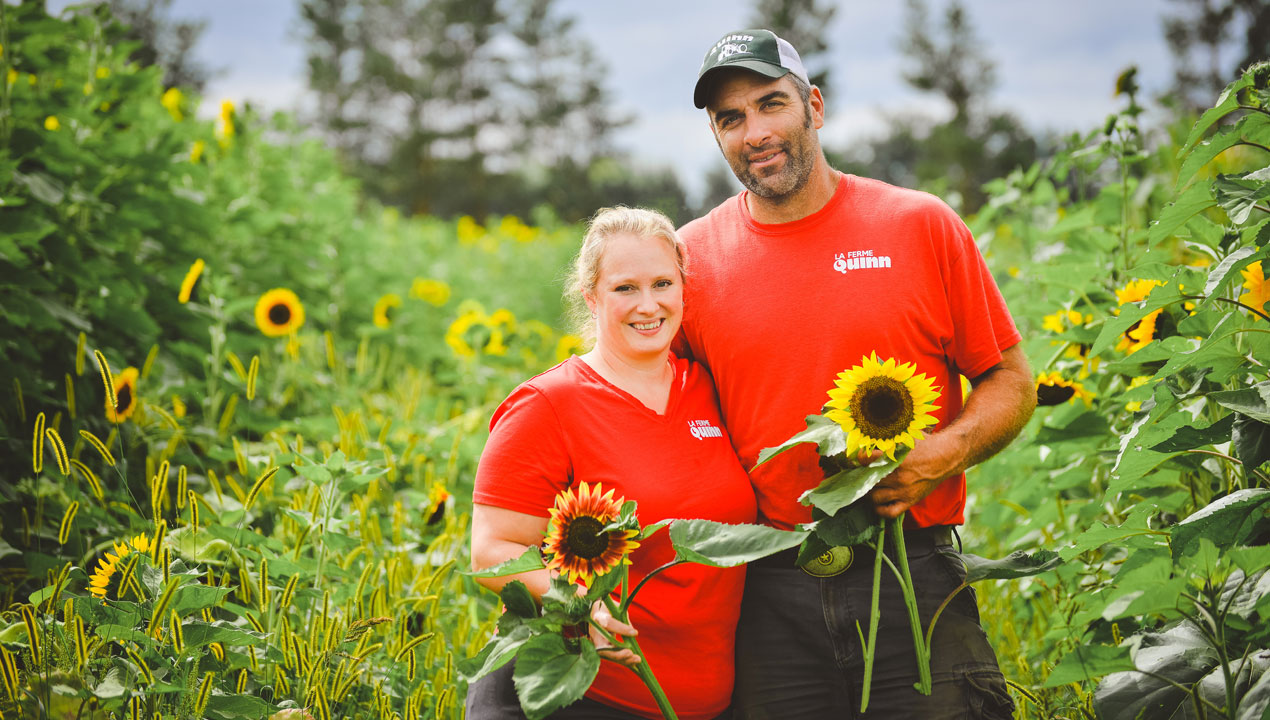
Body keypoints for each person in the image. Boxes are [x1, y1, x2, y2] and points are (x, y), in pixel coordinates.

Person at [678, 29, 1036, 719]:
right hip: (765, 593)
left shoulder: (919, 226)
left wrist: (943, 454)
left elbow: (1011, 381)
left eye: (771, 104)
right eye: (730, 118)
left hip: (914, 572)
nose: (755, 132)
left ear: (814, 105)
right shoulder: (693, 259)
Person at [466, 206, 756, 720]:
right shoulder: (548, 405)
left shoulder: (707, 389)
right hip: (577, 695)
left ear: (683, 291)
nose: (649, 304)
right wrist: (584, 607)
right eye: (625, 288)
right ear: (591, 295)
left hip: (701, 702)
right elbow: (492, 552)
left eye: (663, 283)